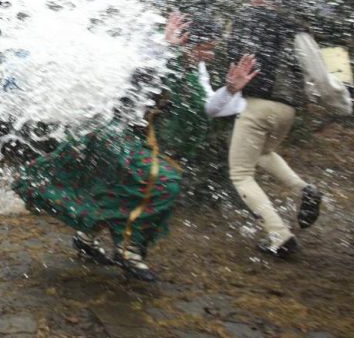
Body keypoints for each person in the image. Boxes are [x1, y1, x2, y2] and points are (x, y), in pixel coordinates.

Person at [14, 14, 256, 282]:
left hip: (143, 144)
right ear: (190, 42)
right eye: (206, 47)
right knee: (162, 183)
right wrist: (166, 46)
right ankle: (129, 251)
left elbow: (208, 108)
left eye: (212, 49)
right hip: (121, 138)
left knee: (118, 190)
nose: (210, 55)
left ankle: (87, 237)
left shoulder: (196, 70)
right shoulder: (160, 55)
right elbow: (142, 74)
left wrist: (230, 90)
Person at [227, 0, 351, 258]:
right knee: (263, 152)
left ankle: (279, 235)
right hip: (287, 110)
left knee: (241, 174)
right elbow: (319, 76)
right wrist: (341, 105)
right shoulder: (296, 31)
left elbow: (233, 68)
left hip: (256, 107)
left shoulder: (245, 22)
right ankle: (306, 190)